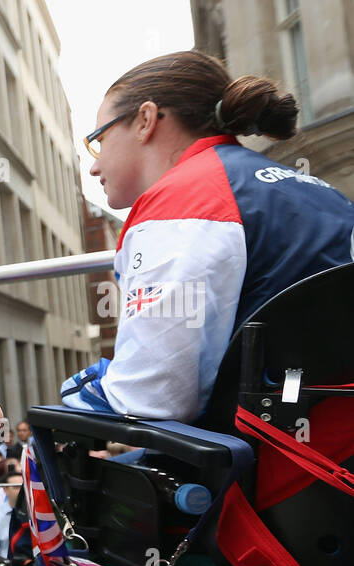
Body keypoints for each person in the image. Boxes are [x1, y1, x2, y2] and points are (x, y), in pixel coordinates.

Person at [63, 50, 354, 423]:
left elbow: (150, 398)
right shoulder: (318, 190)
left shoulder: (185, 201)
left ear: (145, 120)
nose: (93, 165)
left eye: (98, 139)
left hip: (280, 463)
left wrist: (80, 390)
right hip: (326, 445)